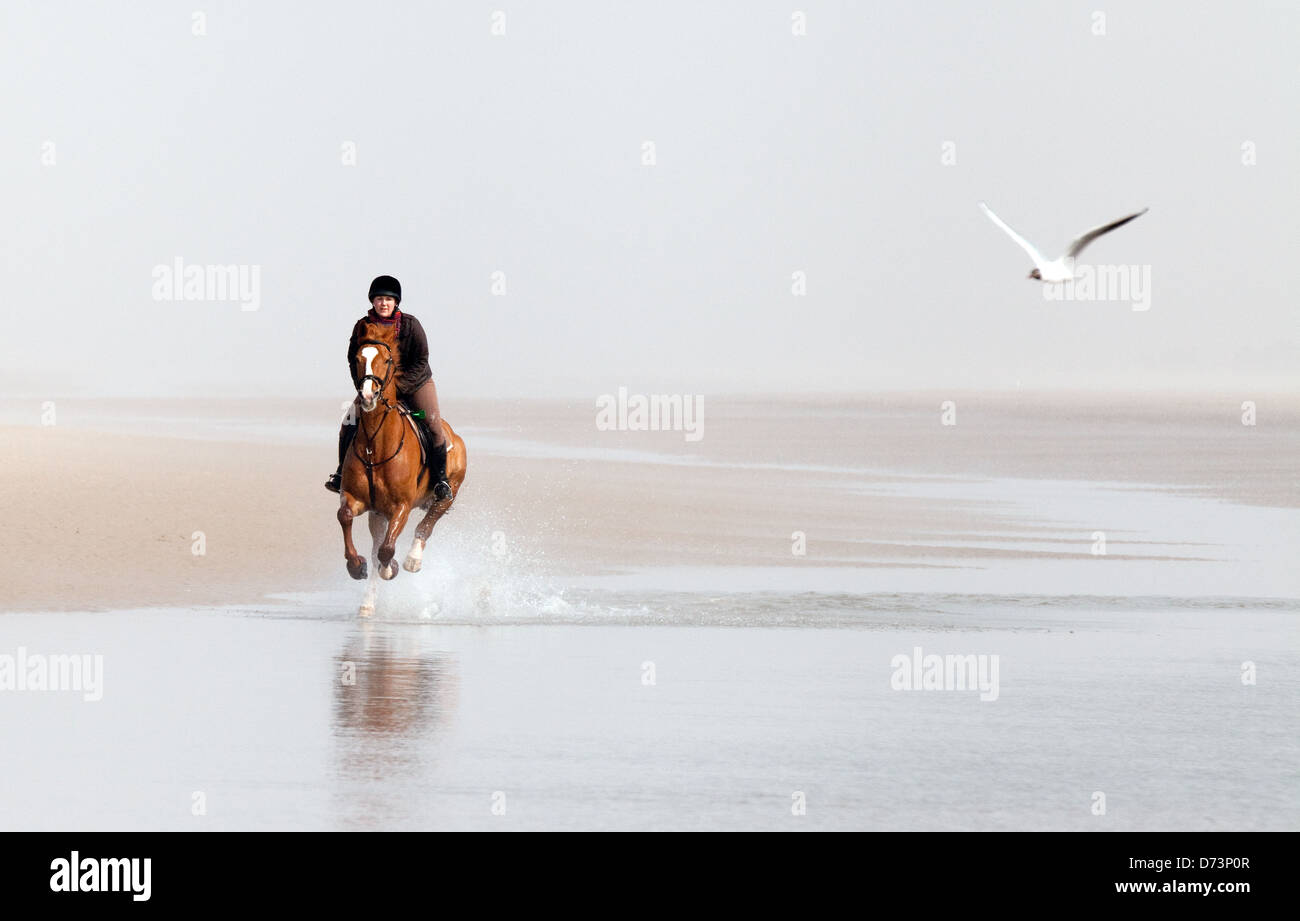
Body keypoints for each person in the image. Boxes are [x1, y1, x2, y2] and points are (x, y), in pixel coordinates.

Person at [325, 275, 451, 500]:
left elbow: (421, 361)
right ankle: (340, 475)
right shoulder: (363, 326)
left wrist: (396, 387)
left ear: (396, 303)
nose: (384, 303)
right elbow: (354, 360)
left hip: (416, 383)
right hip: (374, 387)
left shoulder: (411, 325)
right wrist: (363, 385)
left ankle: (440, 480)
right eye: (380, 299)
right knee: (348, 423)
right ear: (373, 301)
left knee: (431, 423)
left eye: (389, 299)